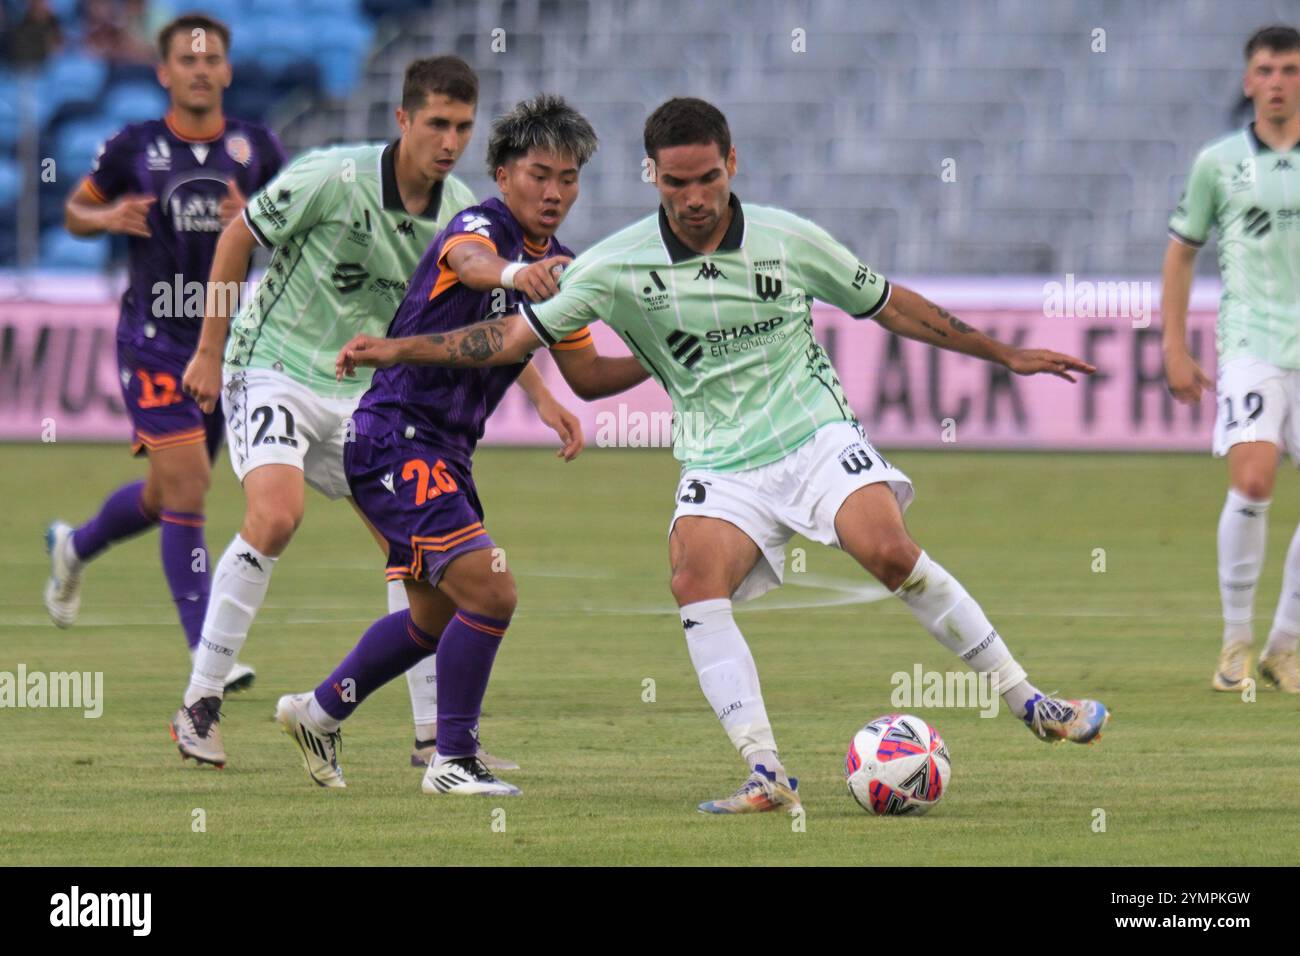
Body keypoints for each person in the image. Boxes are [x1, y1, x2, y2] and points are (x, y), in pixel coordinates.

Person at [336, 97, 1112, 814]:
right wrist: (396, 347)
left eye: (708, 177)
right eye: (677, 183)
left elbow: (890, 303)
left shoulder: (787, 237)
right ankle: (766, 770)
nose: (695, 197)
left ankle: (1030, 701)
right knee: (692, 580)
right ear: (654, 177)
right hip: (720, 460)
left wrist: (1005, 354)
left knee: (887, 550)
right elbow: (507, 338)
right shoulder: (614, 264)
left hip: (813, 435)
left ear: (731, 164)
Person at [170, 56, 580, 769]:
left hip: (361, 391)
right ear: (403, 119)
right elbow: (238, 234)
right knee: (276, 515)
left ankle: (429, 740)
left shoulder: (458, 209)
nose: (448, 141)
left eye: (461, 126)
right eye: (435, 124)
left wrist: (543, 396)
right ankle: (200, 704)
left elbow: (476, 324)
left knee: (420, 555)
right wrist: (209, 350)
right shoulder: (337, 175)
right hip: (273, 366)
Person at [277, 94, 648, 794]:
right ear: (504, 174)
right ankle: (451, 760)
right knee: (493, 591)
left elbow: (588, 374)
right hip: (394, 438)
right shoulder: (479, 225)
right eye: (540, 173)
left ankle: (318, 713)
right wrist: (515, 275)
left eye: (569, 179)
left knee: (431, 616)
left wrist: (663, 361)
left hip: (444, 449)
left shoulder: (561, 264)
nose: (555, 191)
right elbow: (477, 265)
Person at [46, 14, 283, 697]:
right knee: (188, 490)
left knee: (163, 495)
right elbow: (72, 213)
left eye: (211, 59)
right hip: (153, 342)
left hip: (226, 345)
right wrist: (105, 218)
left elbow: (296, 231)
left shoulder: (257, 148)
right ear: (164, 72)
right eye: (187, 59)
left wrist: (260, 218)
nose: (200, 69)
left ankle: (75, 548)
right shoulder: (133, 146)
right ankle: (209, 657)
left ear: (228, 71)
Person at [1163, 24, 1300, 695]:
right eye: (1267, 70)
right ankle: (1236, 640)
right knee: (1253, 477)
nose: (1278, 82)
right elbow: (1182, 249)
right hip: (1251, 345)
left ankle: (1285, 646)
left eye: (1291, 70)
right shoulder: (1218, 163)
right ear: (1249, 82)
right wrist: (1174, 344)